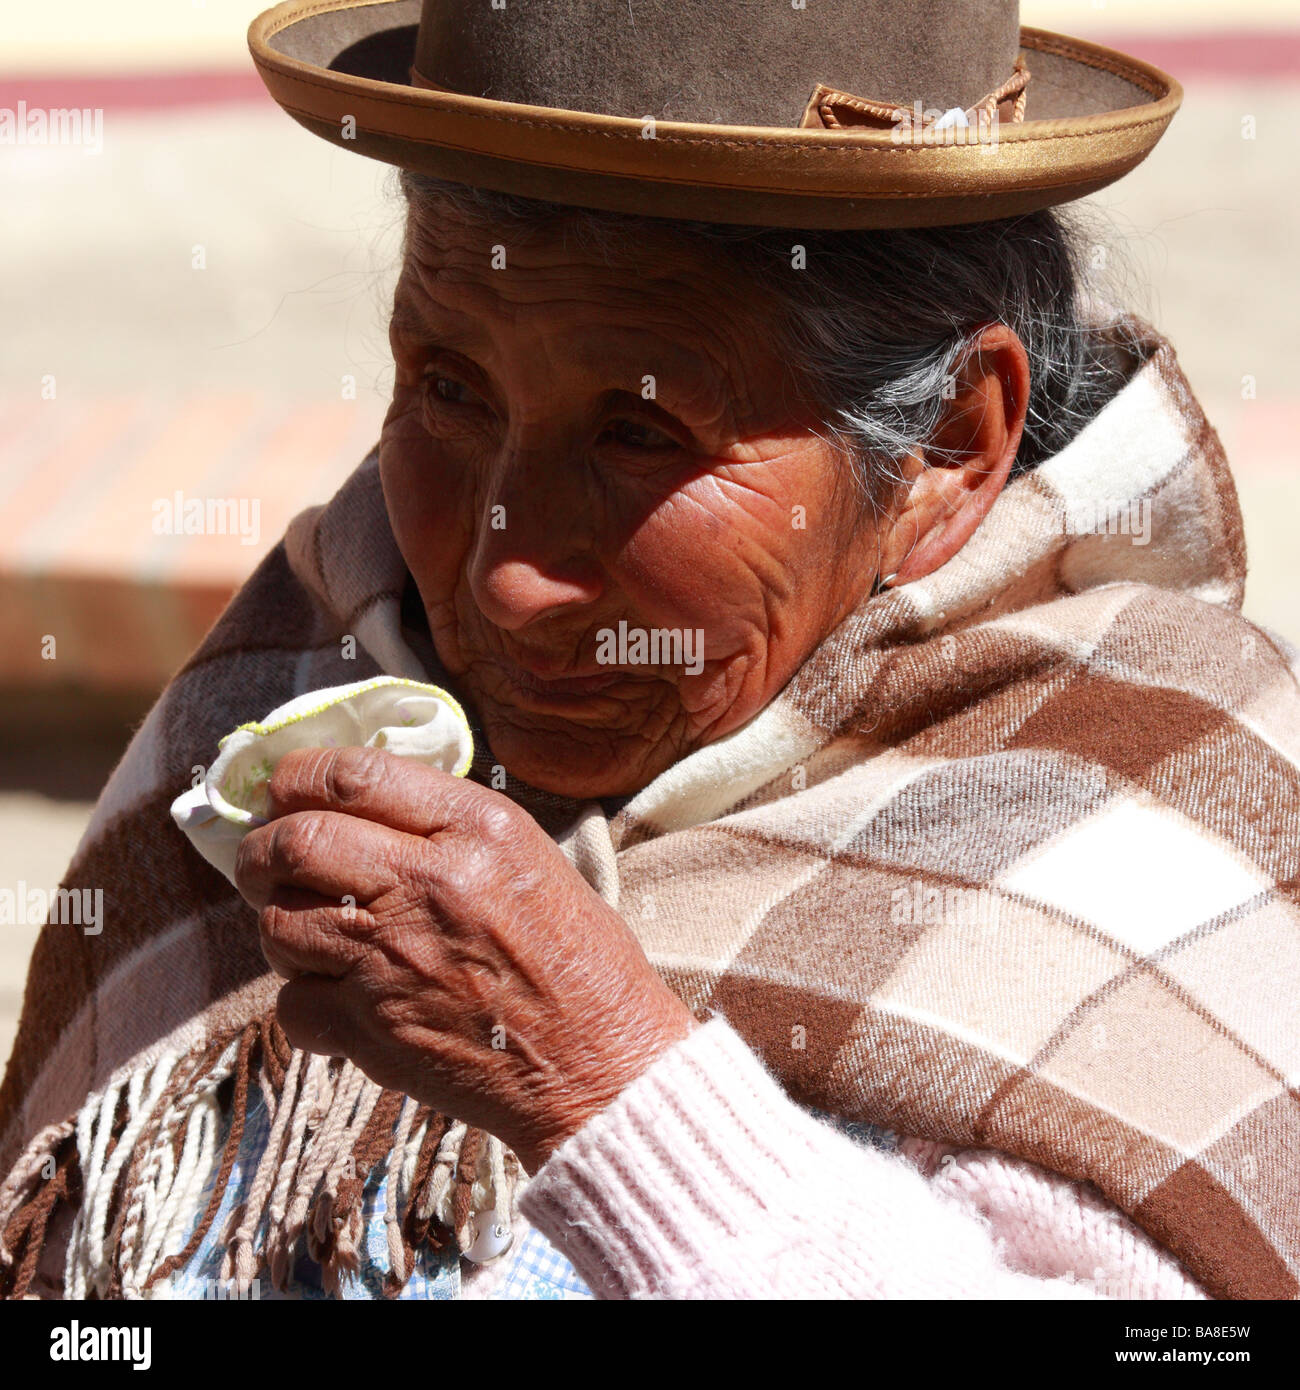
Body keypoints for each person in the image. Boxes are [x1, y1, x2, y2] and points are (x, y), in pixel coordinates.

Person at [2, 0, 1297, 1301]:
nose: (509, 581)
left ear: (946, 453)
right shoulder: (296, 684)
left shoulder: (1145, 835)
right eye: (449, 386)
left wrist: (608, 1084)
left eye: (639, 431)